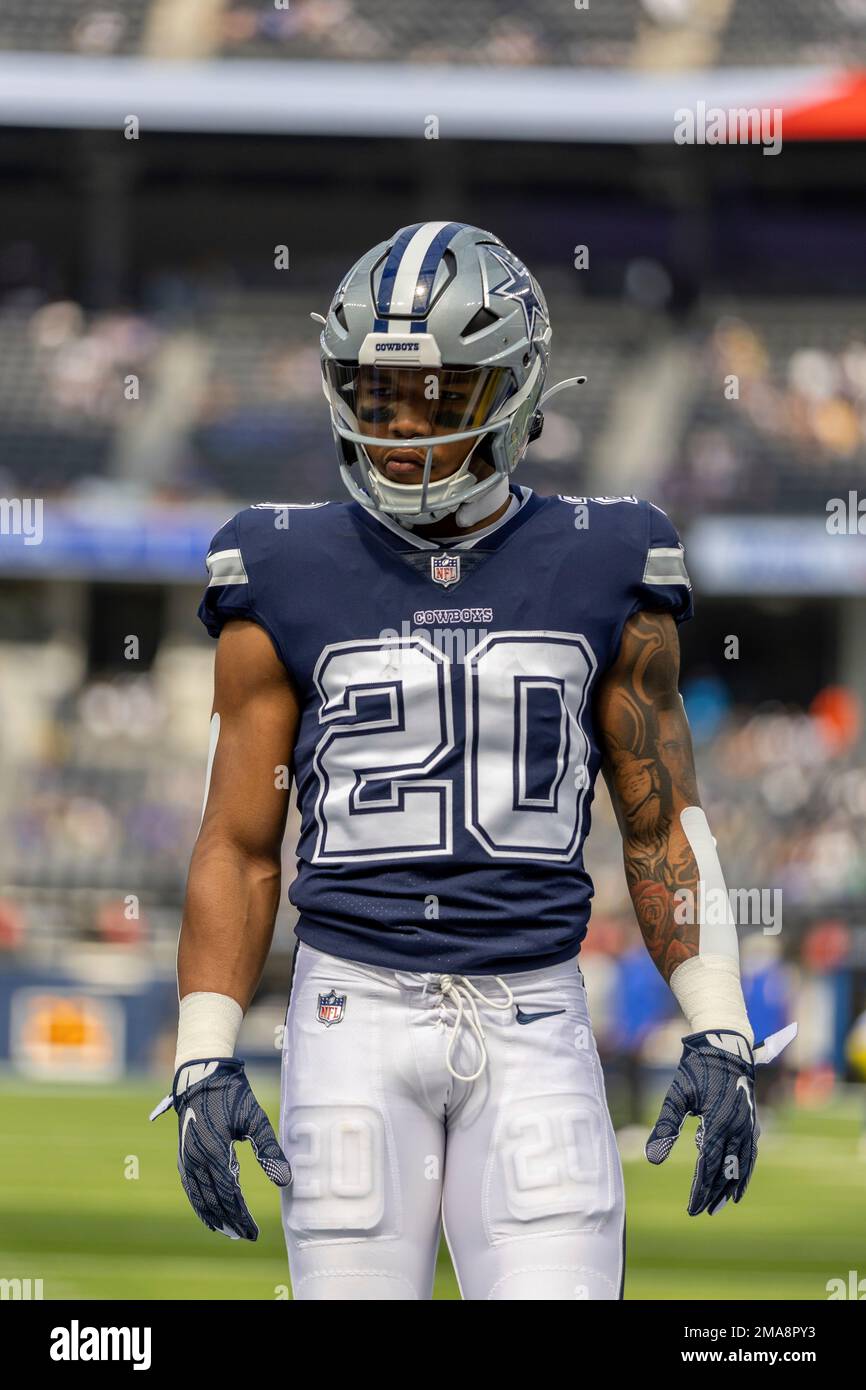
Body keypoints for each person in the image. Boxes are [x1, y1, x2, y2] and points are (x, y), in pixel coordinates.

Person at [152, 221, 793, 1300]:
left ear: (512, 391)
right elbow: (239, 840)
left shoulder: (605, 553)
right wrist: (203, 1048)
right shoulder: (280, 561)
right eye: (373, 392)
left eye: (437, 393)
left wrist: (719, 1023)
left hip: (533, 1011)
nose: (399, 426)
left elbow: (659, 822)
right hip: (347, 1010)